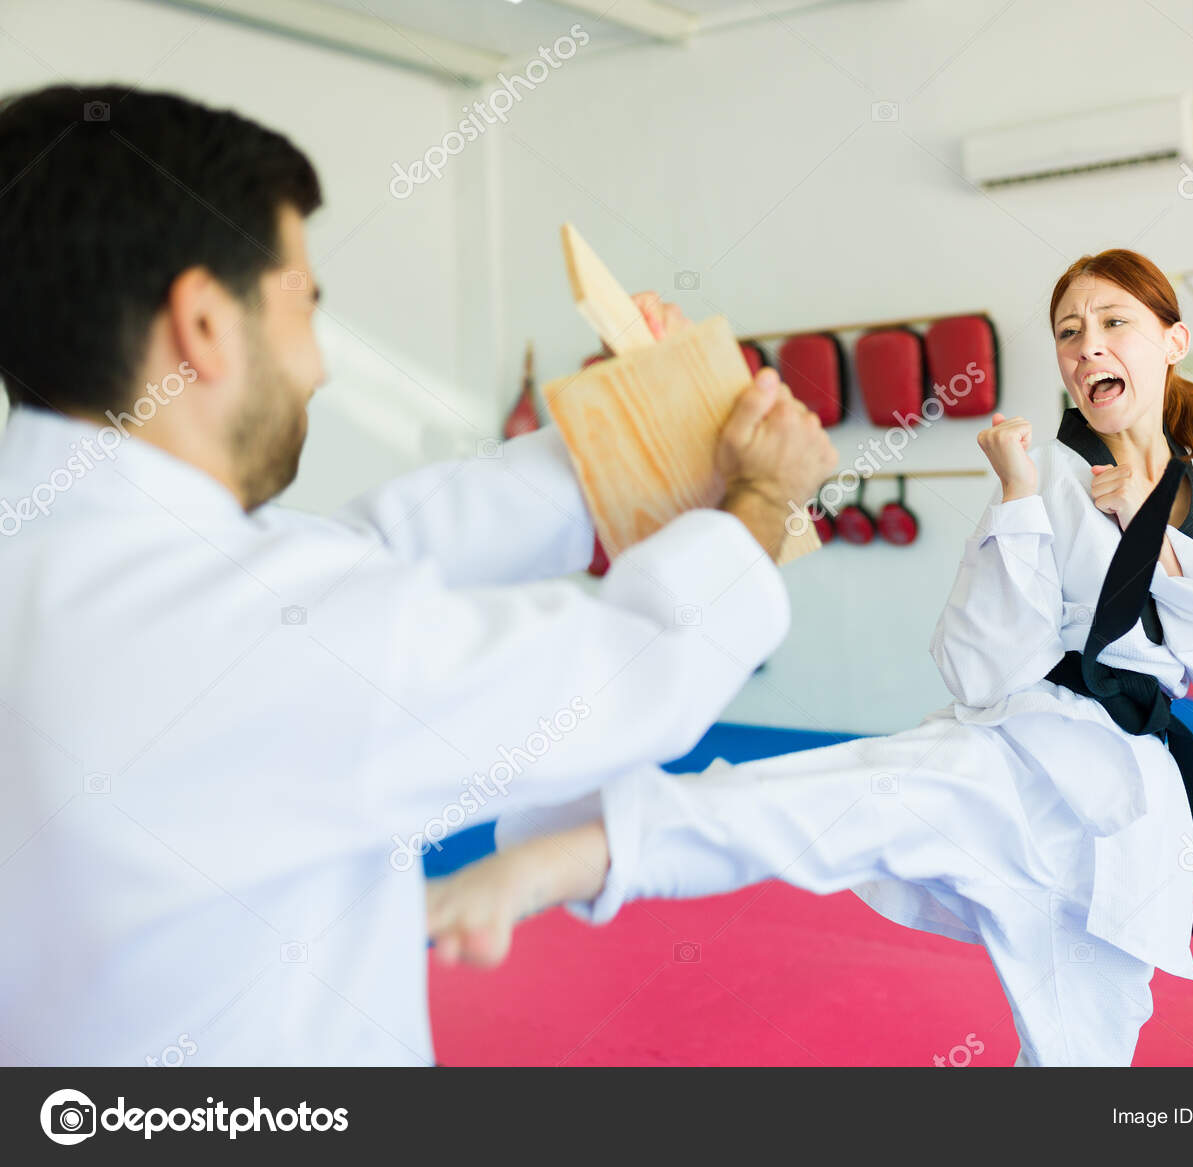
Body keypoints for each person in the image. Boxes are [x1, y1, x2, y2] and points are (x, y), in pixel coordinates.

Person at [0, 84, 835, 1066]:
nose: (318, 368)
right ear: (205, 325)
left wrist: (627, 435)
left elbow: (370, 550)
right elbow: (622, 675)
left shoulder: (86, 560)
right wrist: (762, 501)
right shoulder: (237, 628)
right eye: (303, 307)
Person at [426, 249, 1193, 1067]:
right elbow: (984, 670)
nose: (1087, 346)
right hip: (1025, 757)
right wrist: (1021, 500)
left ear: (1173, 343)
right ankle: (583, 849)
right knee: (839, 798)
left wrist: (1163, 540)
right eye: (1069, 331)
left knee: (1086, 1055)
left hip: (1133, 814)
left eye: (1114, 324)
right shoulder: (1050, 476)